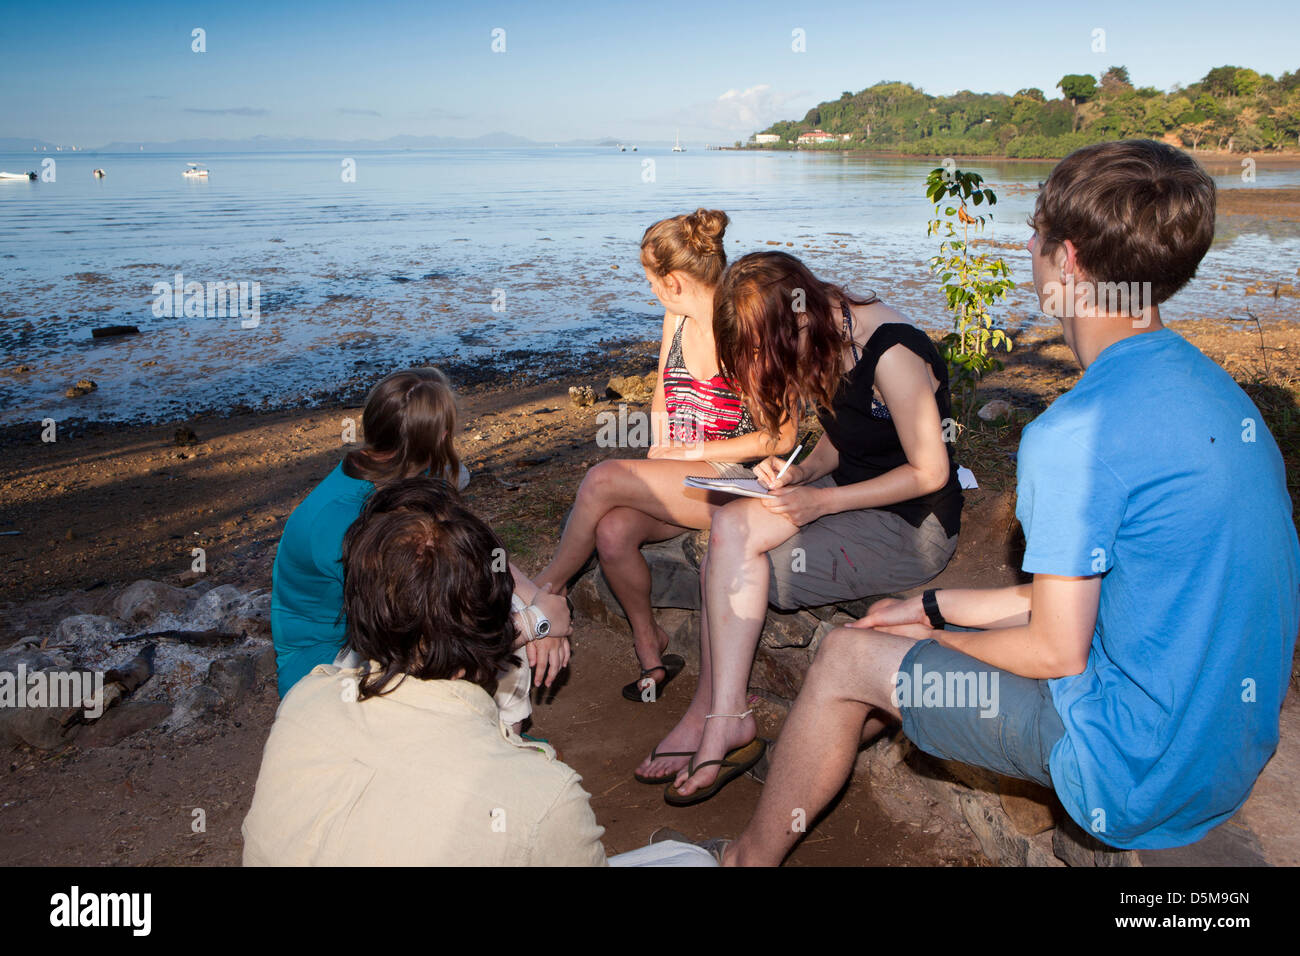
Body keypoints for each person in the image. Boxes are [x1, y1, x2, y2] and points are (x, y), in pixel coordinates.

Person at [719, 139, 1300, 864]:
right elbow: (1114, 596)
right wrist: (933, 607)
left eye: (1039, 233)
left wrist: (926, 641)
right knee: (890, 635)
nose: (1027, 244)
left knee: (843, 658)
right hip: (1224, 749)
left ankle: (745, 857)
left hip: (1132, 768)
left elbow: (1054, 649)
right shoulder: (1217, 394)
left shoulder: (1075, 435)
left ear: (1071, 262)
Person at [243, 477, 716, 866]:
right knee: (689, 861)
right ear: (495, 616)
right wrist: (537, 618)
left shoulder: (304, 702)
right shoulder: (544, 799)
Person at [638, 251, 963, 801]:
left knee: (747, 571)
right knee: (731, 529)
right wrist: (805, 471)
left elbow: (931, 471)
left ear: (796, 318)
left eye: (763, 348)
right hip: (851, 497)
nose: (764, 363)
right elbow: (849, 432)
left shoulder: (894, 353)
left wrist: (819, 504)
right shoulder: (830, 331)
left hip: (910, 526)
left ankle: (716, 719)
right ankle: (722, 715)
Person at [536, 210, 795, 701]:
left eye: (651, 278)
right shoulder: (675, 317)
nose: (650, 288)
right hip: (683, 478)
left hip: (736, 482)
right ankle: (649, 644)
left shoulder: (748, 328)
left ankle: (548, 590)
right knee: (612, 533)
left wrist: (692, 450)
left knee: (601, 479)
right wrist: (661, 450)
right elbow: (661, 393)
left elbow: (779, 438)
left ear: (673, 280)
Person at [270, 367, 571, 731]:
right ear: (441, 437)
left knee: (504, 600)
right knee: (498, 622)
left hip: (376, 635)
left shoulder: (408, 472)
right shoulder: (338, 523)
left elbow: (479, 550)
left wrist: (538, 597)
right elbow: (422, 650)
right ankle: (493, 747)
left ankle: (498, 737)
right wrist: (535, 623)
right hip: (325, 673)